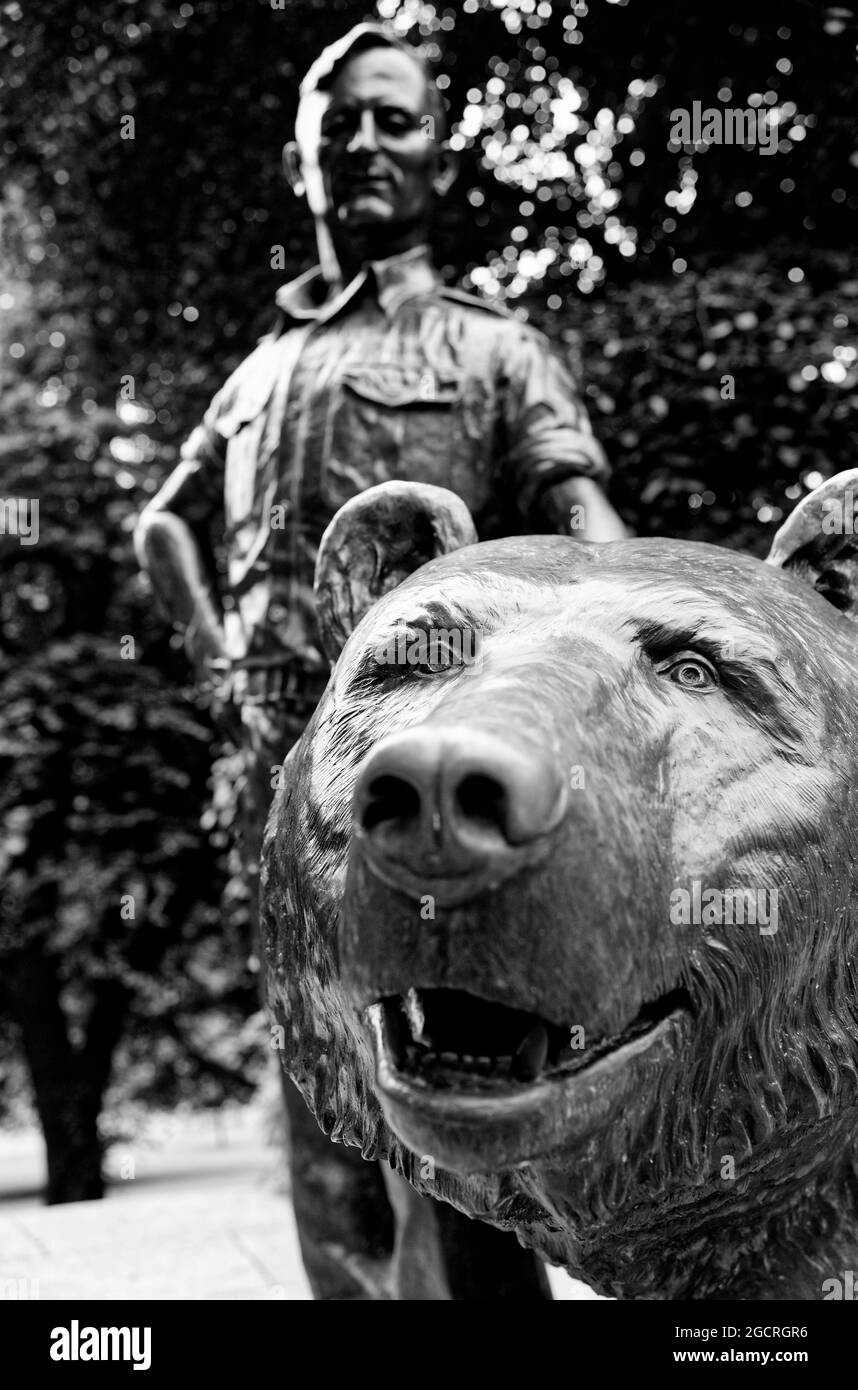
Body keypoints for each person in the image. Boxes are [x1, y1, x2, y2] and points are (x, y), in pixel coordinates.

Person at [135, 21, 624, 1299]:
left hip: (430, 775)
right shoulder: (257, 371)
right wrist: (210, 650)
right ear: (301, 160)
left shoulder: (496, 349)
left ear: (438, 160)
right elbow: (163, 520)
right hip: (278, 790)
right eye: (335, 122)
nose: (361, 143)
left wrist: (643, 633)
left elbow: (580, 515)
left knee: (457, 1097)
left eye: (393, 120)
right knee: (325, 1105)